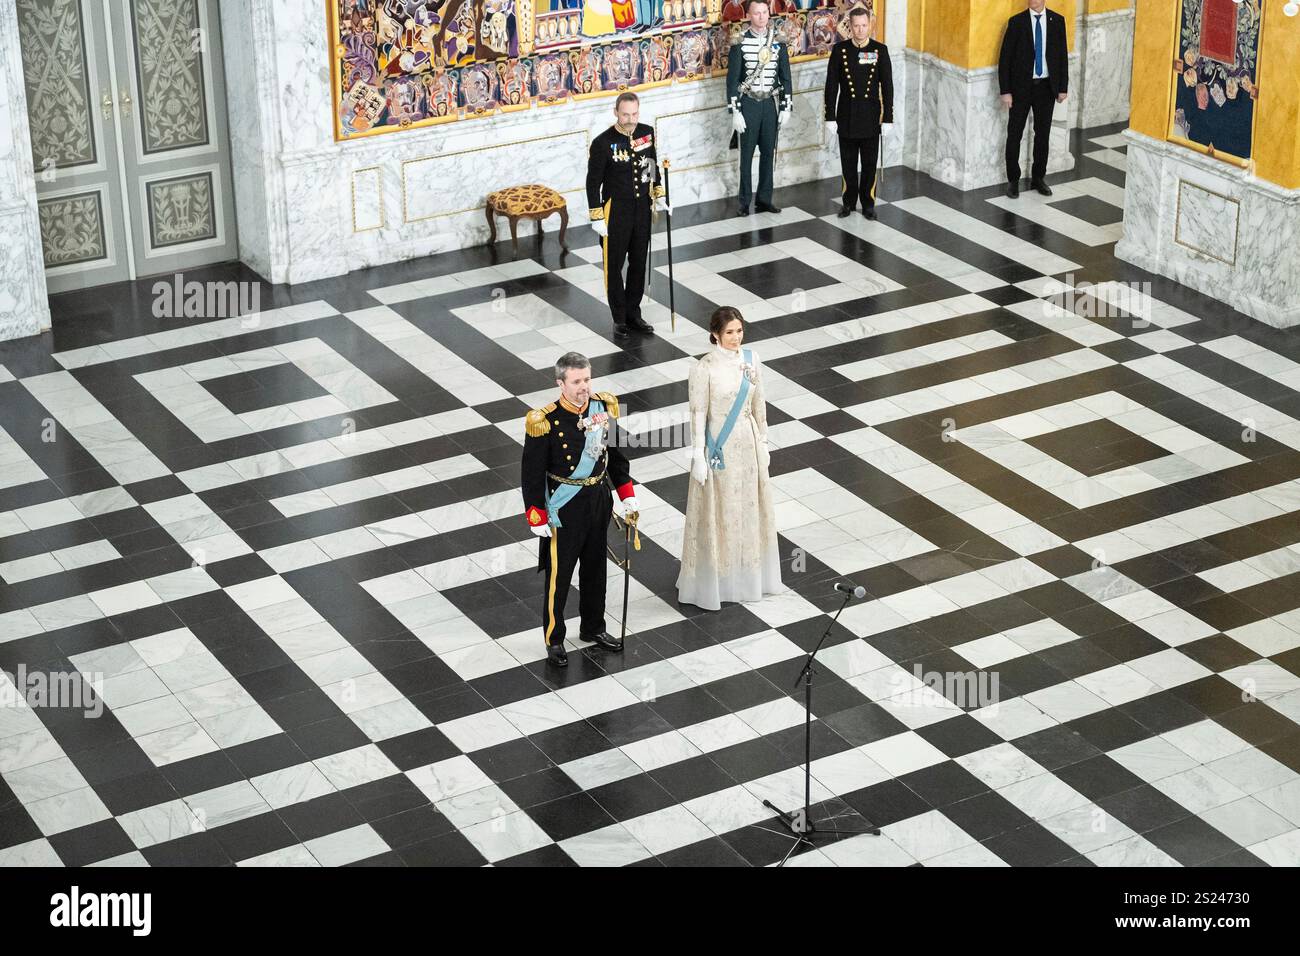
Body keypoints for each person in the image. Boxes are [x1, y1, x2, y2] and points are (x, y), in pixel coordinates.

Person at [522, 352, 639, 667]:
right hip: (566, 506)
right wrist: (537, 515)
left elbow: (614, 454)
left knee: (595, 569)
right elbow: (531, 472)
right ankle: (555, 637)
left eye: (587, 379)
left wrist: (626, 494)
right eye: (576, 382)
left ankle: (593, 627)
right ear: (561, 383)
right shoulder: (544, 420)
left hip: (598, 498)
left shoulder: (603, 406)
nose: (583, 387)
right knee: (559, 576)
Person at [677, 307, 783, 610]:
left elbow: (758, 401)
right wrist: (698, 453)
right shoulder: (703, 368)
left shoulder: (751, 360)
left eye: (739, 331)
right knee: (720, 510)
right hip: (718, 445)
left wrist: (763, 439)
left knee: (748, 506)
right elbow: (698, 412)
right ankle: (718, 577)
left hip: (747, 442)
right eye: (729, 333)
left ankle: (747, 574)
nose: (735, 338)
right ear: (715, 334)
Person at [586, 92, 670, 339]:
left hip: (642, 209)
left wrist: (659, 193)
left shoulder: (646, 132)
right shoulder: (603, 143)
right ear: (616, 113)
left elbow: (651, 164)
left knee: (638, 262)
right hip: (615, 212)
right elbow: (592, 183)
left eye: (634, 114)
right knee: (614, 266)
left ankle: (634, 313)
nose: (631, 119)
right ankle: (619, 317)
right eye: (625, 114)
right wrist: (597, 217)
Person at [824, 6, 893, 220]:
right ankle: (848, 203)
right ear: (850, 27)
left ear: (870, 25)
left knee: (870, 164)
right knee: (848, 164)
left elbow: (887, 86)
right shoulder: (840, 50)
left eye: (864, 25)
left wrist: (888, 118)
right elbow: (831, 85)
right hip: (847, 116)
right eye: (856, 26)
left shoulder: (880, 50)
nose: (861, 30)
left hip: (871, 117)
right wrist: (830, 116)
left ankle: (868, 204)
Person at [726, 0, 793, 216]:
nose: (762, 17)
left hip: (769, 105)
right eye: (757, 13)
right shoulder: (739, 42)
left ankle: (764, 199)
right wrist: (735, 111)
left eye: (765, 12)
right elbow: (732, 81)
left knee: (767, 153)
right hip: (748, 105)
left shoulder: (779, 41)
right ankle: (744, 201)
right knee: (746, 156)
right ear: (749, 15)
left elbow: (785, 77)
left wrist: (786, 107)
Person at [998, 0, 1068, 198]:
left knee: (1043, 134)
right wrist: (1006, 91)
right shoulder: (1016, 22)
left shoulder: (1057, 21)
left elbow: (1062, 55)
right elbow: (1005, 59)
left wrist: (1062, 87)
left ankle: (1039, 177)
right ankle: (1013, 180)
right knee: (1014, 133)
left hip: (1046, 87)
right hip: (1021, 88)